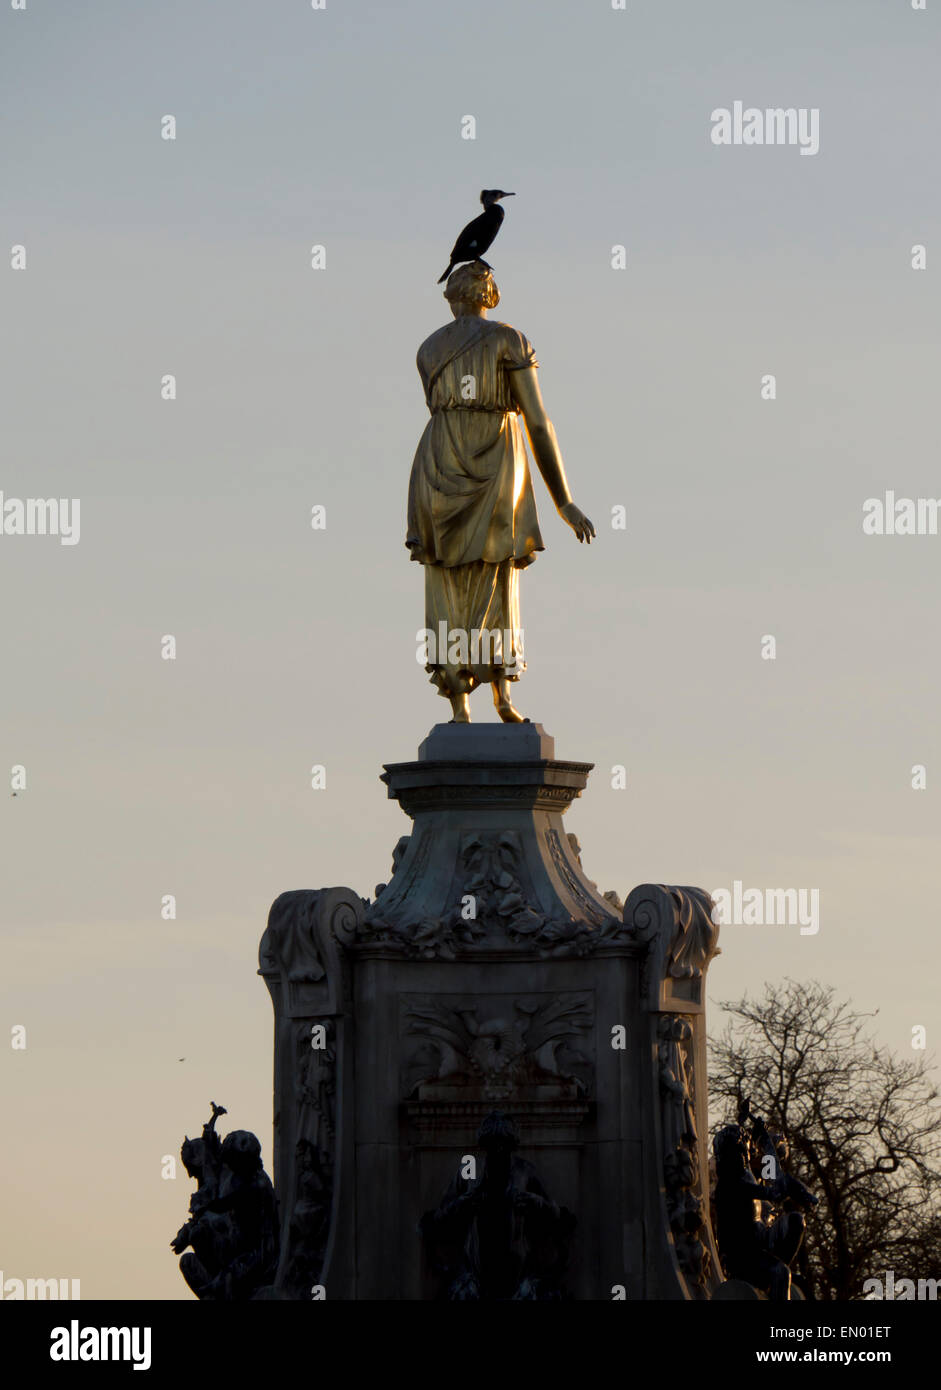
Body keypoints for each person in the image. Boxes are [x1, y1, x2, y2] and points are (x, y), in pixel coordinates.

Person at [407, 261, 594, 723]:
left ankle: (458, 702)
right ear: (491, 295)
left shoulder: (429, 349)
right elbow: (536, 420)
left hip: (440, 458)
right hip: (495, 456)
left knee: (447, 580)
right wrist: (563, 500)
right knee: (497, 576)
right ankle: (502, 694)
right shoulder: (509, 340)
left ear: (451, 297)